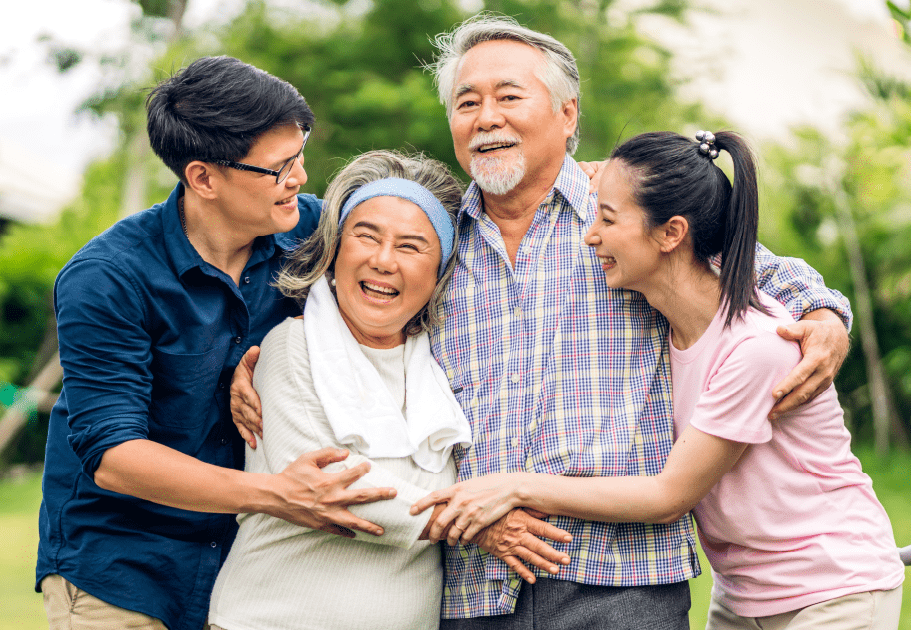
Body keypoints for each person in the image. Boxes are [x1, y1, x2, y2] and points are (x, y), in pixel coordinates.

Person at [225, 14, 855, 630]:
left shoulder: (624, 217)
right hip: (474, 585)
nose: (486, 117)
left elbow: (750, 265)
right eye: (467, 103)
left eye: (509, 96)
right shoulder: (436, 237)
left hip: (620, 579)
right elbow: (345, 290)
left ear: (568, 114)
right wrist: (250, 355)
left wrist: (824, 312)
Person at [413, 130, 905, 629]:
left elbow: (669, 496)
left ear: (671, 234)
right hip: (743, 597)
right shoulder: (662, 330)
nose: (589, 235)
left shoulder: (759, 345)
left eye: (606, 219)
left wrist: (515, 486)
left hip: (832, 587)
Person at [35, 56, 404, 630]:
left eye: (300, 154)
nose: (300, 179)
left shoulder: (310, 233)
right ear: (203, 177)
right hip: (122, 565)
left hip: (246, 570)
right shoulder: (106, 278)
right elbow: (114, 456)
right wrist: (279, 494)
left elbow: (423, 233)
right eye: (278, 167)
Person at [206, 150, 573, 630]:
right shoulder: (292, 346)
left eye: (411, 246)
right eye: (366, 236)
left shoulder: (446, 361)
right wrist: (477, 524)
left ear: (440, 271)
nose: (383, 261)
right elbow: (336, 490)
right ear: (336, 250)